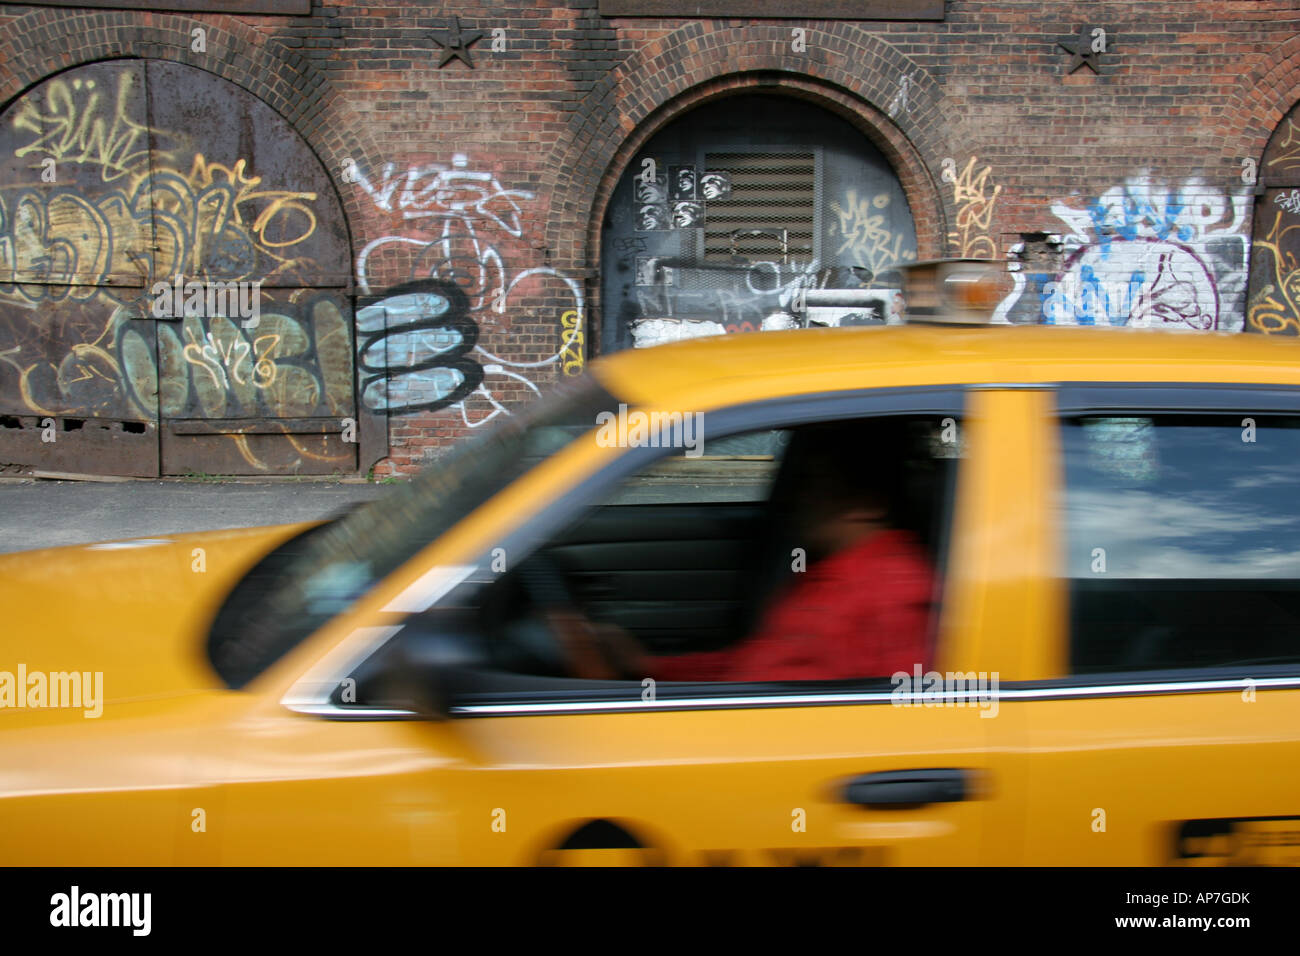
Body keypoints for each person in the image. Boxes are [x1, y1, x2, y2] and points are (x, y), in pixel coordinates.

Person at [546, 422, 937, 682]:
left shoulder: (895, 591)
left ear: (868, 503)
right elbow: (750, 665)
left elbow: (896, 720)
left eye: (816, 485)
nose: (800, 499)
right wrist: (648, 667)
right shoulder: (825, 572)